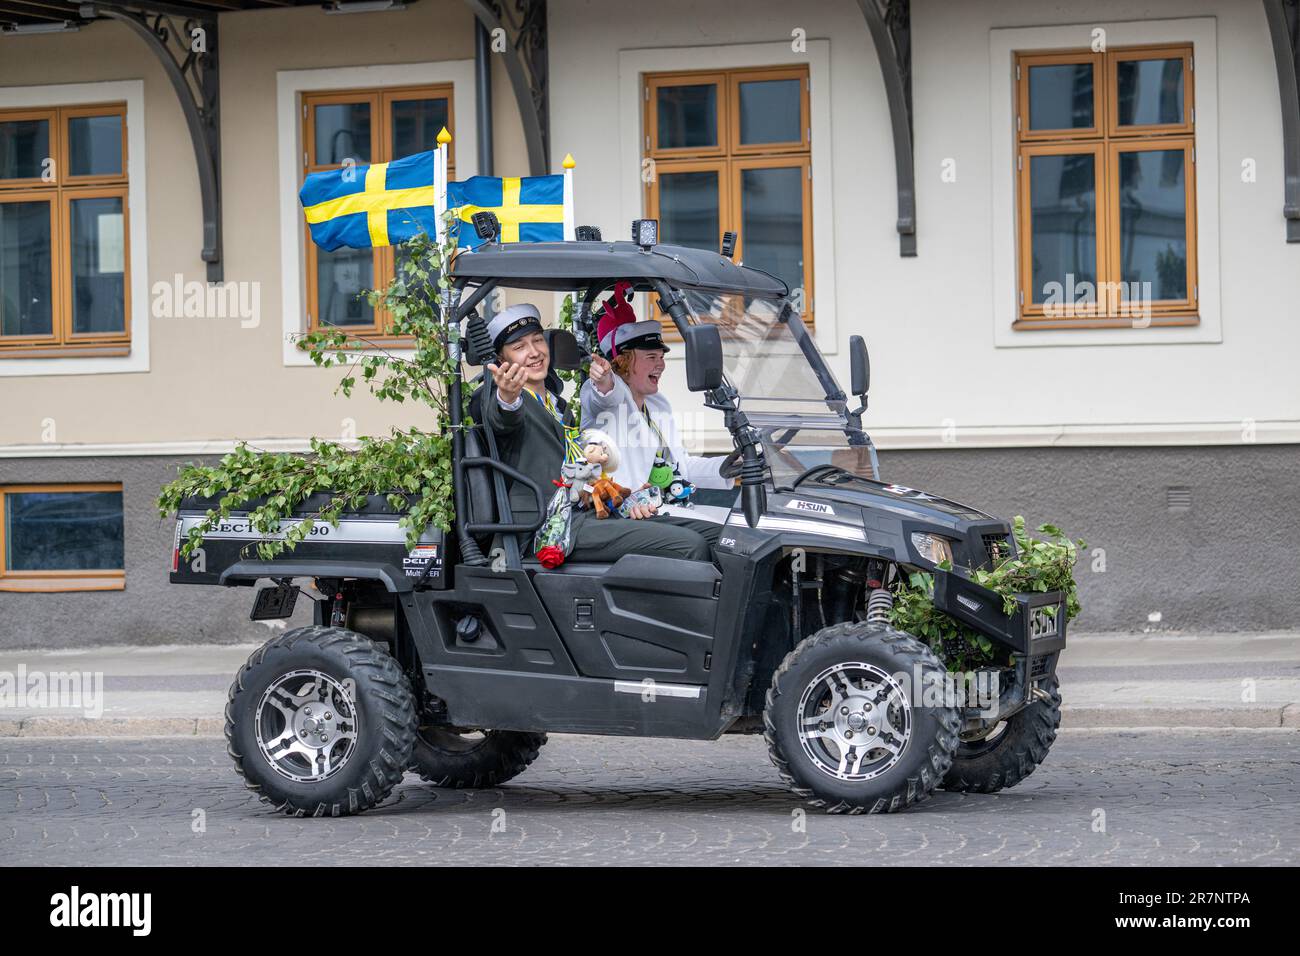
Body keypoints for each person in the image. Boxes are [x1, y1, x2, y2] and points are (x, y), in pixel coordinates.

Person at [479, 303, 711, 564]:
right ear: (502, 360)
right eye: (519, 347)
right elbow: (503, 419)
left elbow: (578, 471)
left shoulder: (557, 406)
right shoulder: (507, 399)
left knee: (715, 535)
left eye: (537, 341)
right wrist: (507, 396)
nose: (534, 352)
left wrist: (626, 498)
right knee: (690, 546)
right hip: (548, 526)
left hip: (584, 513)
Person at [580, 286, 739, 548]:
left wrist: (732, 465)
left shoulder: (655, 407)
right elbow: (602, 394)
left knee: (741, 528)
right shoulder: (609, 398)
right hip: (628, 513)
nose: (661, 364)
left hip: (664, 506)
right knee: (726, 538)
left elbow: (682, 467)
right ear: (622, 362)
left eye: (662, 356)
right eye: (651, 357)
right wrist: (604, 378)